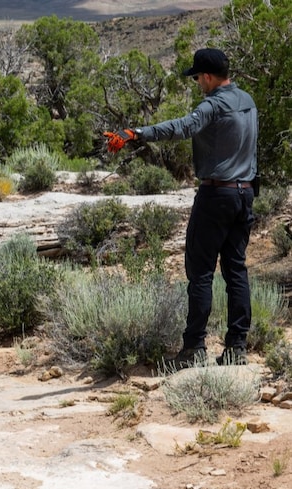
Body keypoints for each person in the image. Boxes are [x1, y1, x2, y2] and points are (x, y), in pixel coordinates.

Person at [104, 48, 258, 368]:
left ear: (207, 76)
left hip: (216, 196)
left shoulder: (212, 105)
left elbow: (181, 127)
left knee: (200, 273)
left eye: (198, 77)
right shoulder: (248, 101)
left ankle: (193, 350)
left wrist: (136, 133)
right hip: (245, 194)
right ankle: (236, 347)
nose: (198, 83)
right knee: (236, 271)